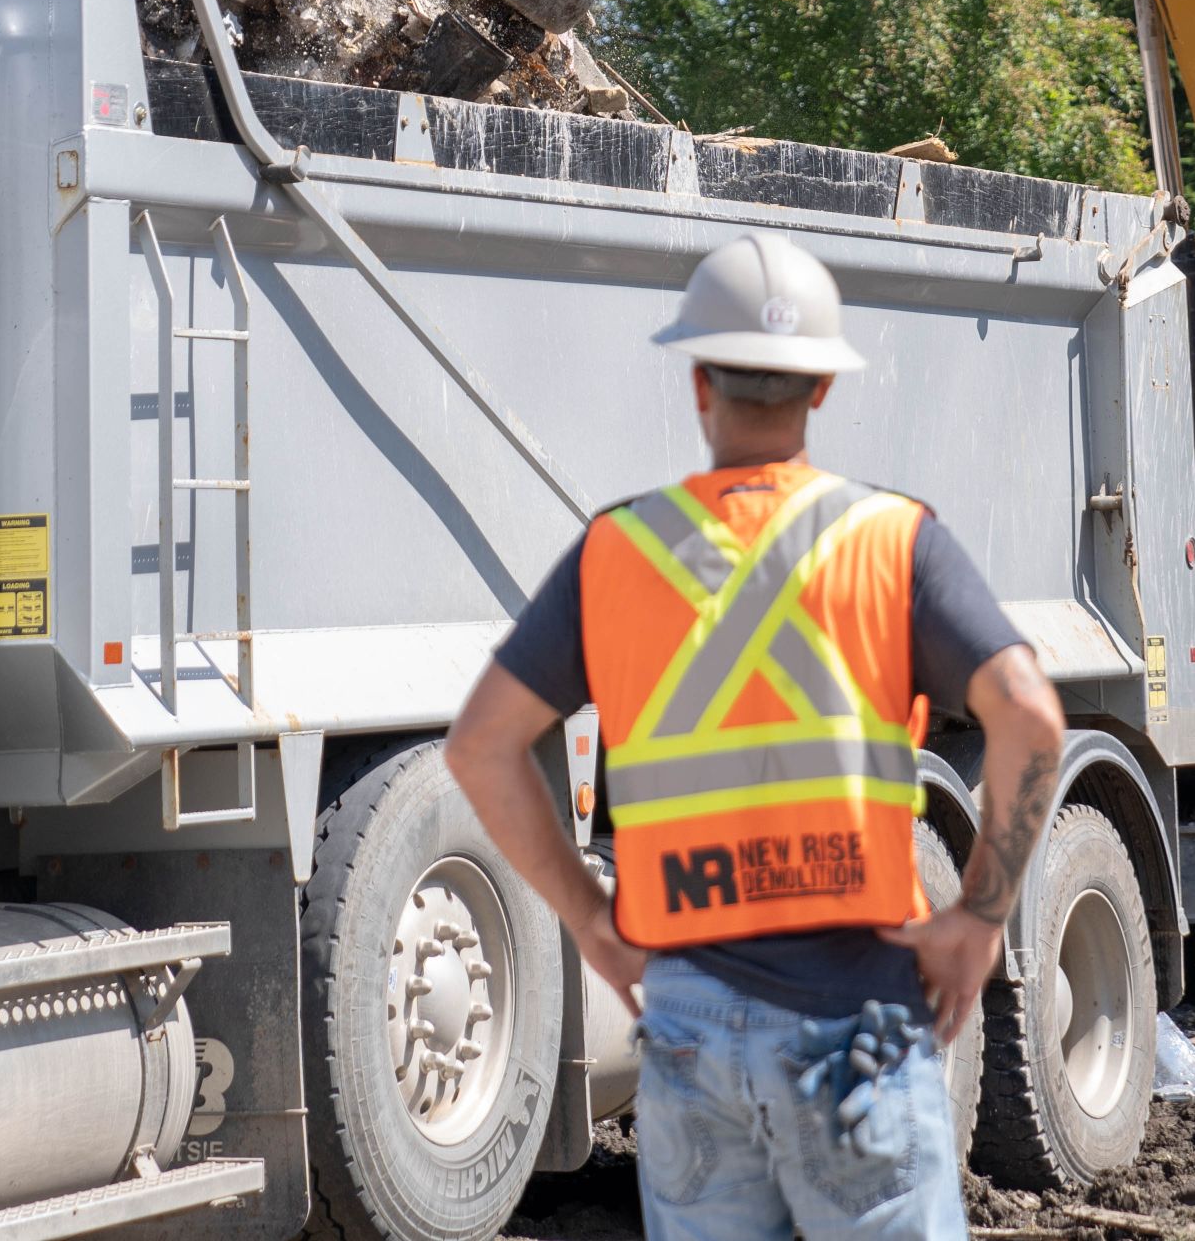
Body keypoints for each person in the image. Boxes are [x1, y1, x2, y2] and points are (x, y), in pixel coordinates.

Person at [445, 231, 1068, 1241]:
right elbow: (1029, 718)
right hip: (855, 1021)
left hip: (691, 1025)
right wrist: (978, 919)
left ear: (698, 382)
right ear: (820, 387)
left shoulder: (618, 550)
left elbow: (479, 746)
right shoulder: (889, 540)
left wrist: (592, 920)